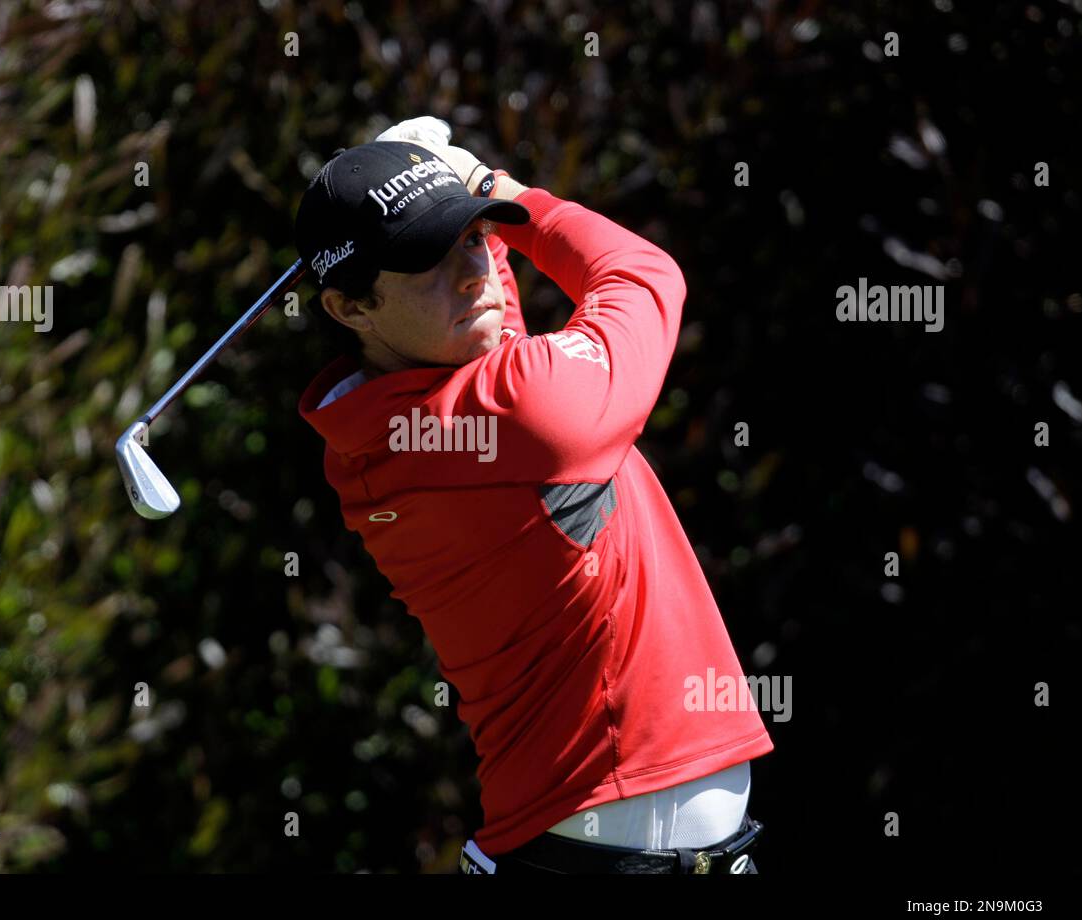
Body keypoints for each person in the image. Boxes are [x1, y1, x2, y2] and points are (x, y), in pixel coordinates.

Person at [294, 117, 774, 874]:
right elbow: (643, 275)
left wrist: (440, 195)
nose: (473, 275)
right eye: (424, 261)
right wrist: (495, 188)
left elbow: (489, 343)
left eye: (473, 240)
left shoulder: (376, 431)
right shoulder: (527, 414)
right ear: (349, 307)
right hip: (621, 854)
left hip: (585, 842)